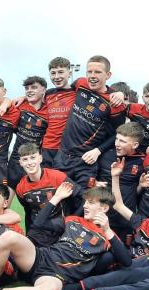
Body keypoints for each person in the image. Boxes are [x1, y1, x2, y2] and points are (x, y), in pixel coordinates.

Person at [0, 185, 131, 290]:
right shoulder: (73, 220)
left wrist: (107, 230)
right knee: (8, 236)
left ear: (104, 208)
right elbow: (40, 224)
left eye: (90, 203)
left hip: (57, 275)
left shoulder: (108, 236)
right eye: (85, 202)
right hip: (39, 257)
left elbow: (126, 261)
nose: (85, 206)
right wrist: (56, 198)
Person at [54, 55, 125, 189]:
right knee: (59, 201)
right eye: (89, 71)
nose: (92, 75)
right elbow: (60, 91)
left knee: (85, 203)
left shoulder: (114, 102)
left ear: (108, 75)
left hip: (86, 159)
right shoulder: (80, 83)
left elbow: (119, 134)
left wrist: (98, 150)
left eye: (97, 72)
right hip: (62, 156)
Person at [15, 143, 80, 246]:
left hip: (61, 227)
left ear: (40, 158)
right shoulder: (20, 188)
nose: (29, 162)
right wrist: (29, 234)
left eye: (33, 157)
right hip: (40, 229)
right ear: (20, 163)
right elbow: (28, 213)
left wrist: (72, 220)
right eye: (25, 159)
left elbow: (82, 197)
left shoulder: (57, 177)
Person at [95, 122, 145, 240]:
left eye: (122, 141)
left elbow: (136, 193)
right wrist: (95, 183)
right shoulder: (106, 155)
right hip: (100, 215)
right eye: (117, 139)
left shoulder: (143, 162)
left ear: (135, 145)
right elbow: (90, 177)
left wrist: (141, 187)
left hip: (124, 219)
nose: (117, 144)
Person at [7, 76, 49, 184]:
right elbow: (4, 102)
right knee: (9, 190)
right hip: (17, 158)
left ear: (44, 90)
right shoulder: (19, 105)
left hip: (36, 160)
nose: (29, 91)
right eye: (27, 88)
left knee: (34, 193)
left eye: (34, 87)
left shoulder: (49, 109)